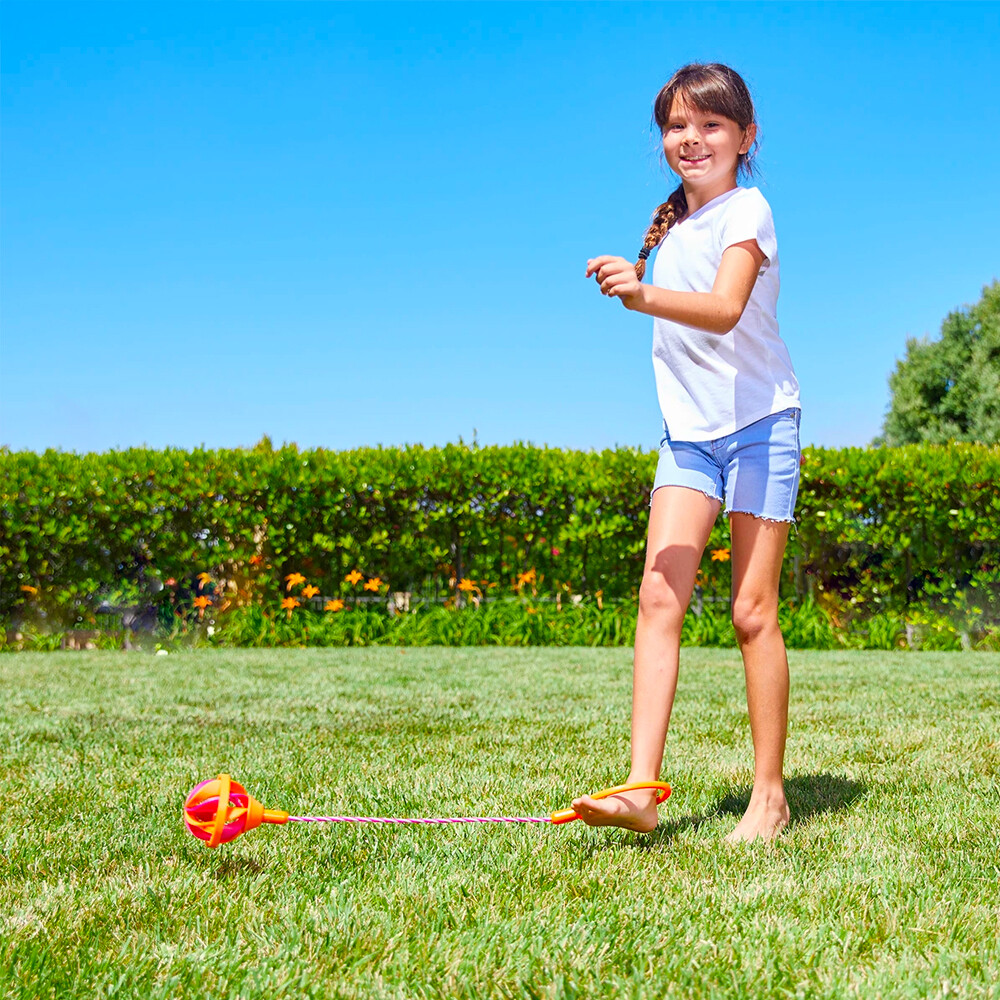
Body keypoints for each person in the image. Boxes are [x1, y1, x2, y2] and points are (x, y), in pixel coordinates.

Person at [576, 63, 801, 842]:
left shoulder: (751, 211)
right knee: (659, 596)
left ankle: (768, 798)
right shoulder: (668, 225)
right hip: (688, 437)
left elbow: (725, 309)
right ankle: (642, 788)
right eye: (677, 125)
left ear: (746, 136)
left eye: (710, 124)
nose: (691, 139)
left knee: (749, 612)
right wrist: (642, 277)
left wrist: (640, 294)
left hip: (761, 427)